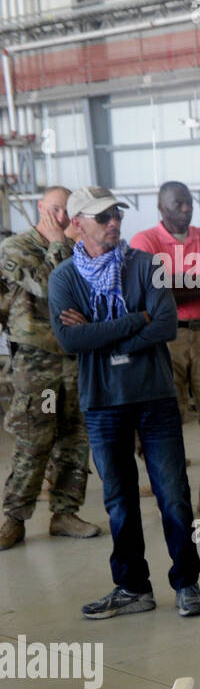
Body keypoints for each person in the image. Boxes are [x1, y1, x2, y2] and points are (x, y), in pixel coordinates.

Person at [47, 186, 200, 618]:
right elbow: (70, 338)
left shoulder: (146, 264)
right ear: (77, 223)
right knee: (119, 499)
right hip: (103, 402)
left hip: (154, 397)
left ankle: (187, 584)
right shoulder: (64, 279)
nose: (114, 222)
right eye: (103, 217)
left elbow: (167, 325)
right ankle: (133, 587)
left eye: (116, 214)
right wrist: (137, 319)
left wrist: (100, 331)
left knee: (173, 494)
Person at [129, 181, 200, 515]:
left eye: (189, 203)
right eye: (178, 204)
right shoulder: (145, 241)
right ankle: (172, 497)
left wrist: (191, 286)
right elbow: (156, 291)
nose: (186, 209)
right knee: (168, 421)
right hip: (166, 339)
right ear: (160, 207)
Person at [0, 186, 102, 551]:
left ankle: (65, 512)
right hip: (38, 362)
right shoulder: (16, 248)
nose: (61, 218)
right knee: (35, 438)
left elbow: (90, 293)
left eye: (66, 212)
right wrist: (60, 245)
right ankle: (14, 517)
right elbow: (51, 287)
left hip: (75, 358)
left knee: (75, 439)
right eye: (54, 210)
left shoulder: (78, 249)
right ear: (40, 208)